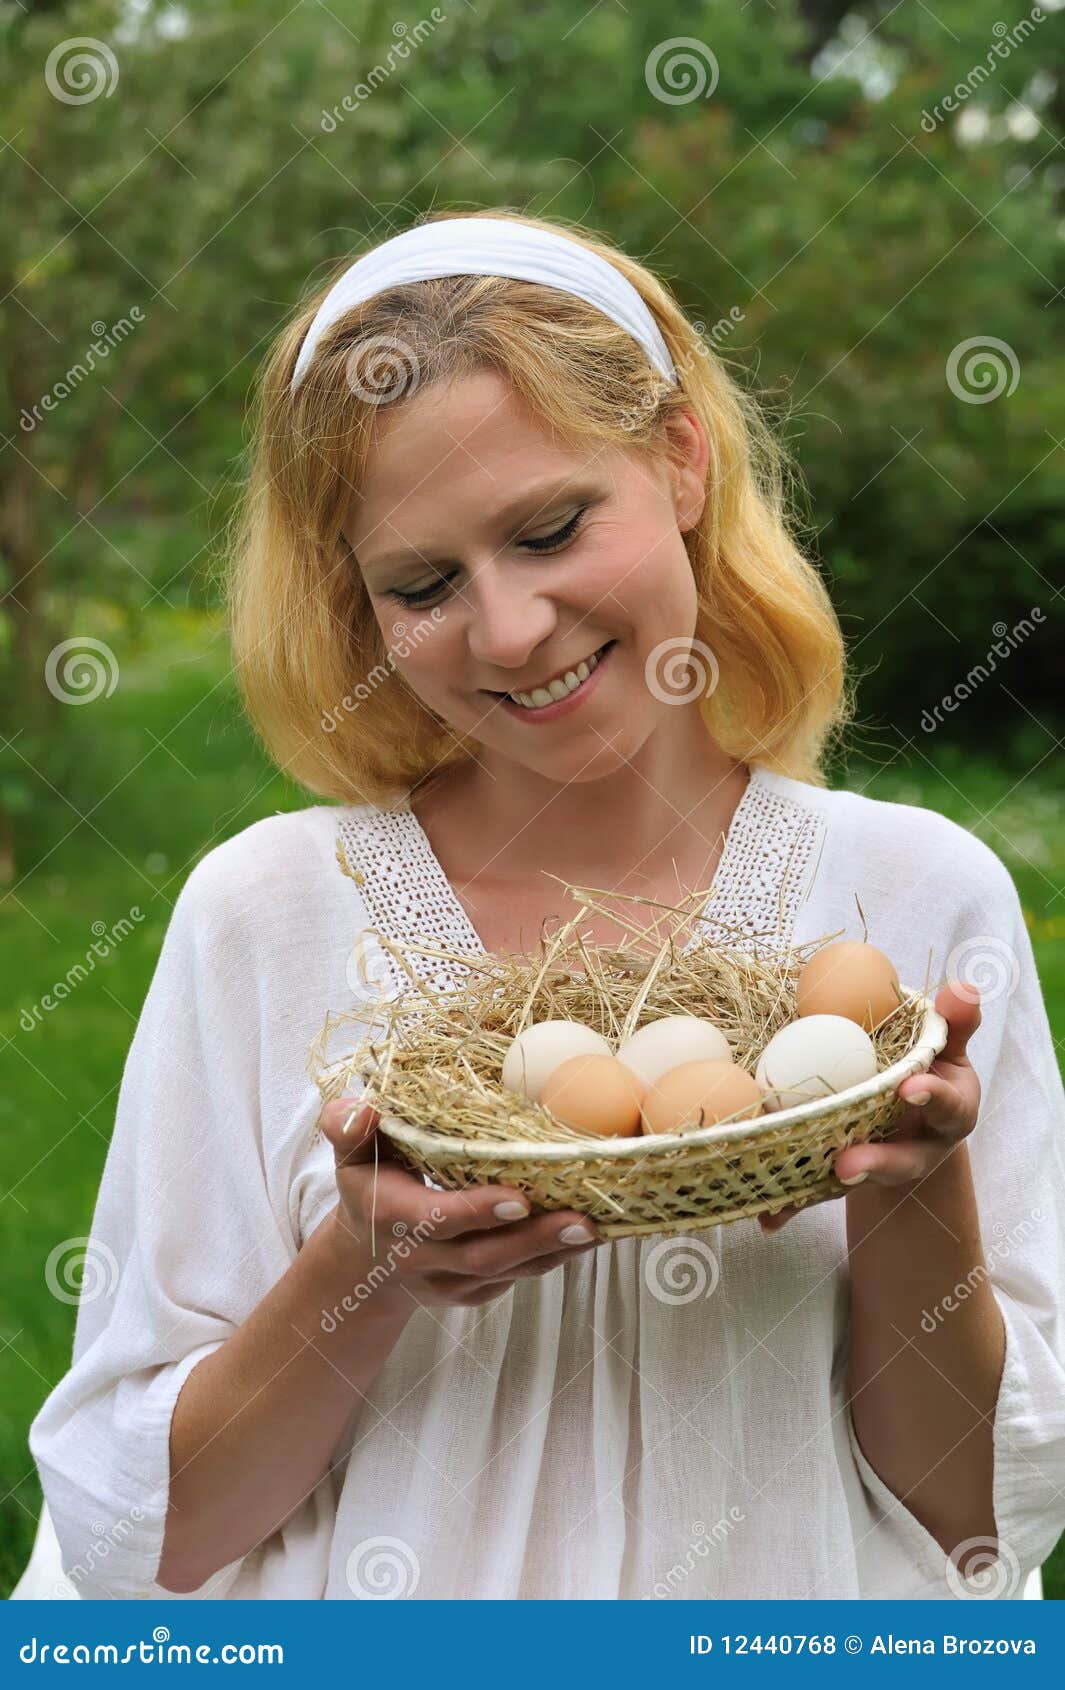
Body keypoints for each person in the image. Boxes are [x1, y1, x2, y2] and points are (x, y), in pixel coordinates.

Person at [16, 208, 1065, 1602]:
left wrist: (910, 1195)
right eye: (423, 582)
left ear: (682, 456)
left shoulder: (914, 897)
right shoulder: (272, 914)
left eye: (552, 527)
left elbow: (981, 1525)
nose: (508, 629)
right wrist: (366, 1266)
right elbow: (147, 1542)